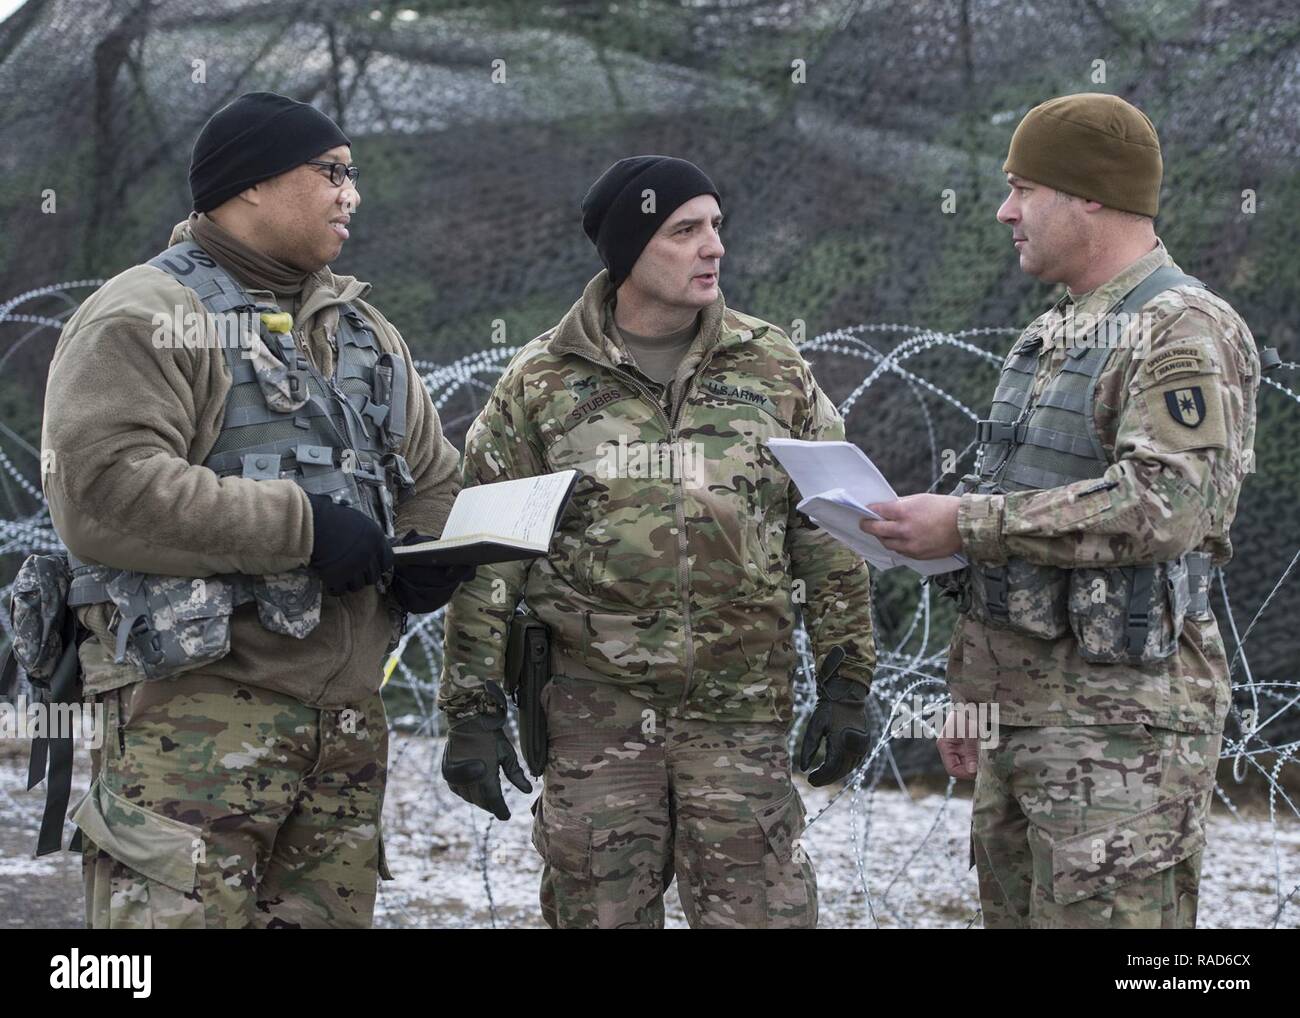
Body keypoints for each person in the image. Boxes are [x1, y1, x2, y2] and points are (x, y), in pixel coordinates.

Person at [40, 91, 471, 928]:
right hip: (191, 731)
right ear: (250, 188)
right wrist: (304, 529)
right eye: (332, 173)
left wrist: (426, 550)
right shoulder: (149, 315)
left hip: (343, 739)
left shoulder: (364, 333)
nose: (352, 194)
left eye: (353, 176)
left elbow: (433, 474)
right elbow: (105, 490)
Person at [438, 155, 877, 928]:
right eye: (685, 231)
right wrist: (471, 709)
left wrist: (847, 683)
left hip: (739, 716)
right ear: (628, 251)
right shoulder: (543, 383)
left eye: (716, 227)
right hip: (594, 718)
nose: (714, 248)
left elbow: (827, 531)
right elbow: (487, 557)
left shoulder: (773, 367)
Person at [859, 93, 1262, 929]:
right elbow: (1013, 521)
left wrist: (963, 522)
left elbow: (1167, 505)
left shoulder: (1181, 329)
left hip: (1123, 738)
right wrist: (969, 693)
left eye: (1023, 188)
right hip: (1025, 724)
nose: (1006, 211)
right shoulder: (1049, 337)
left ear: (1090, 195)